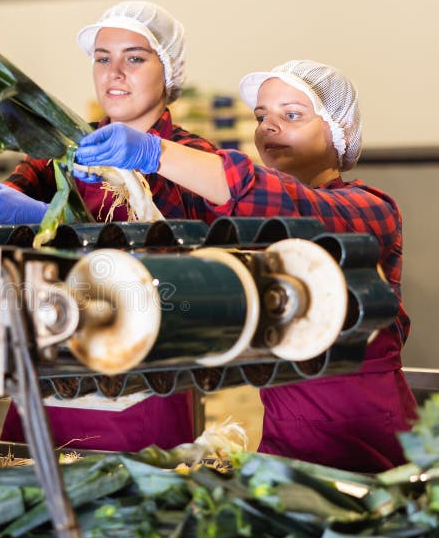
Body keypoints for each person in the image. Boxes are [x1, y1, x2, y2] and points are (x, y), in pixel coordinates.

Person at [0, 1, 221, 452]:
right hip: (50, 373)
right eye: (103, 58)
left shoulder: (189, 156)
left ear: (167, 70)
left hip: (143, 377)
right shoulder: (65, 146)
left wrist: (43, 220)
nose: (114, 72)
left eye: (135, 58)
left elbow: (182, 269)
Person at [74, 59, 417, 473]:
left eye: (291, 115)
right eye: (261, 116)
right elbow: (174, 225)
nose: (269, 127)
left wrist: (156, 151)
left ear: (338, 132)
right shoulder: (254, 229)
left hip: (370, 441)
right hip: (285, 436)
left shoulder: (370, 209)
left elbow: (291, 205)